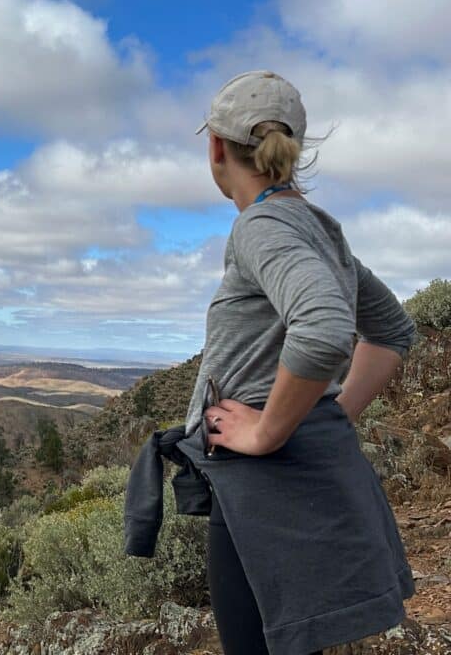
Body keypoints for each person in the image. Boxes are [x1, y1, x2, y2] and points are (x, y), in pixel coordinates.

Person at [173, 70, 416, 655]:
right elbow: (390, 331)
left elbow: (326, 327)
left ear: (216, 148)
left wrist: (269, 429)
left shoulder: (261, 227)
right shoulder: (320, 230)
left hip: (262, 483)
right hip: (297, 474)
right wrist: (325, 413)